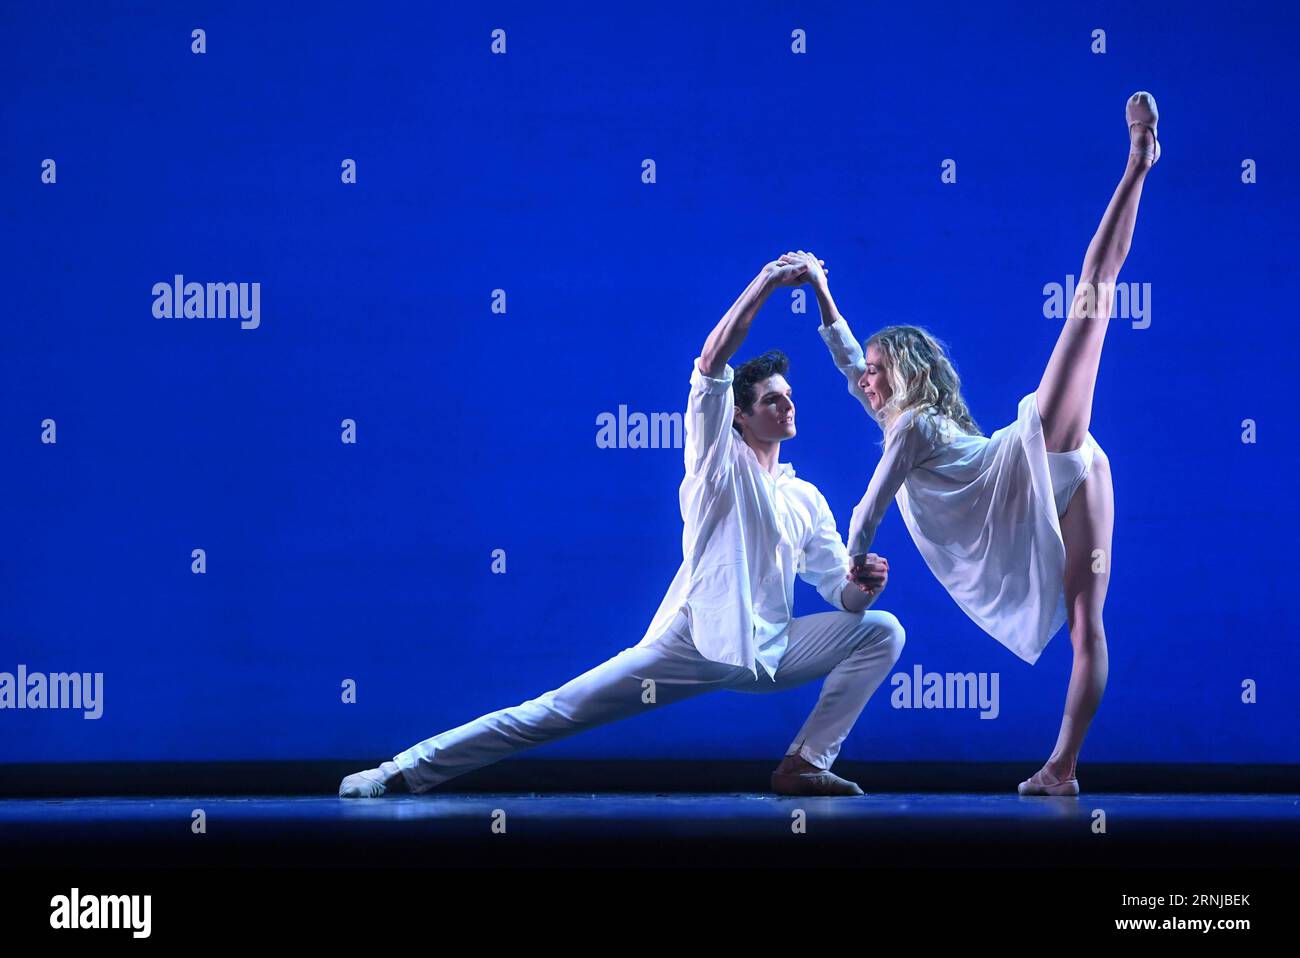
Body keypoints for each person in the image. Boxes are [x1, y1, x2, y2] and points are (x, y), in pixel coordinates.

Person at [339, 256, 907, 799]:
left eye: (789, 398)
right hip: (697, 642)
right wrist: (765, 284)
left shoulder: (805, 497)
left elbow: (842, 594)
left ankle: (805, 765)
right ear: (739, 413)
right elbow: (711, 364)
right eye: (772, 399)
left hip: (772, 650)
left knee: (881, 629)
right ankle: (399, 771)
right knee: (557, 711)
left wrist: (863, 584)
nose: (787, 407)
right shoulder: (716, 457)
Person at [790, 92, 1161, 797]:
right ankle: (1064, 768)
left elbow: (869, 506)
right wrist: (820, 289)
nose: (864, 381)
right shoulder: (903, 417)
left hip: (1024, 466)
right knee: (1087, 622)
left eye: (877, 370)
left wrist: (854, 571)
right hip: (1056, 483)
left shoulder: (914, 426)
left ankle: (1138, 163)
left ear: (907, 372)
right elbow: (845, 360)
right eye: (865, 373)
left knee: (1091, 297)